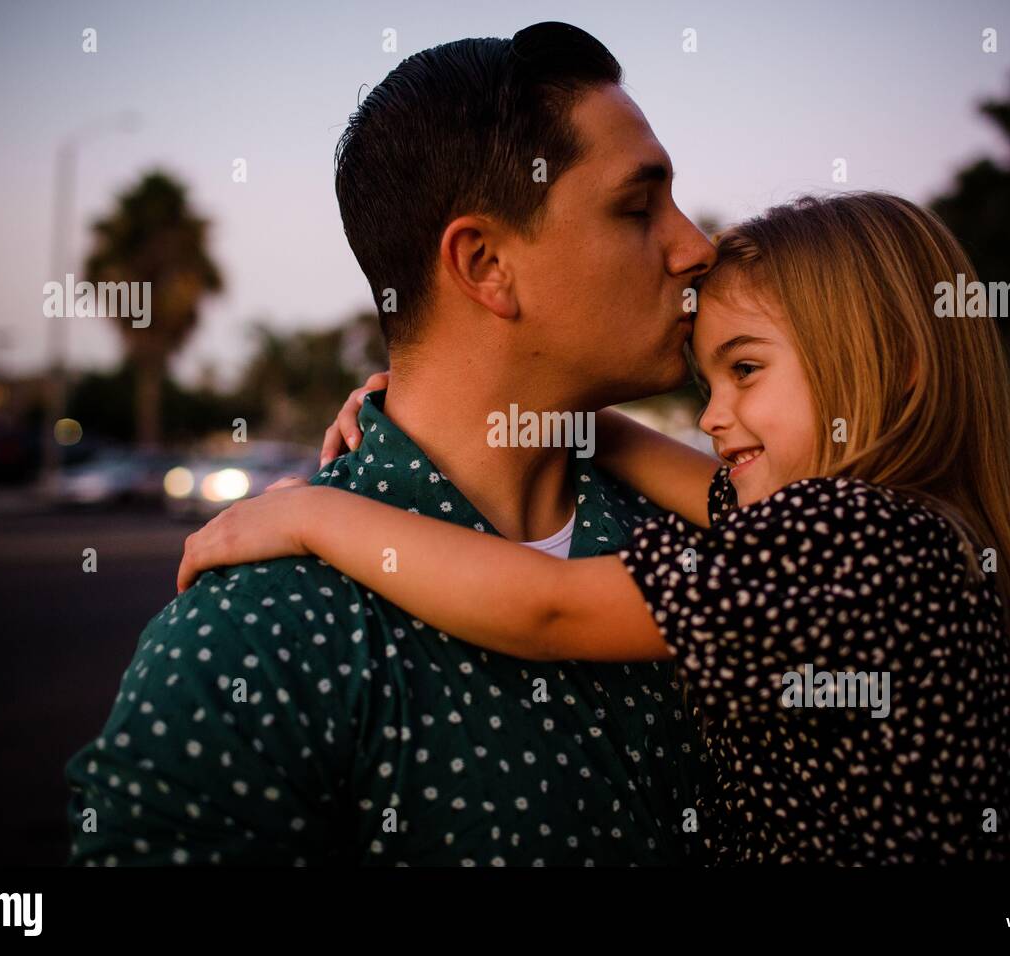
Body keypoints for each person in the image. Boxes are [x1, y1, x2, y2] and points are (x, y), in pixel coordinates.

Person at [178, 192, 1010, 864]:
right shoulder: (897, 529)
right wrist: (494, 401)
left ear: (900, 371)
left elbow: (550, 609)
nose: (715, 417)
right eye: (709, 382)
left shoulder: (847, 537)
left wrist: (311, 511)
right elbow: (678, 472)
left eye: (746, 369)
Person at [65, 22, 719, 866]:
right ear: (484, 264)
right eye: (638, 208)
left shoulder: (734, 529)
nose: (696, 247)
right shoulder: (256, 638)